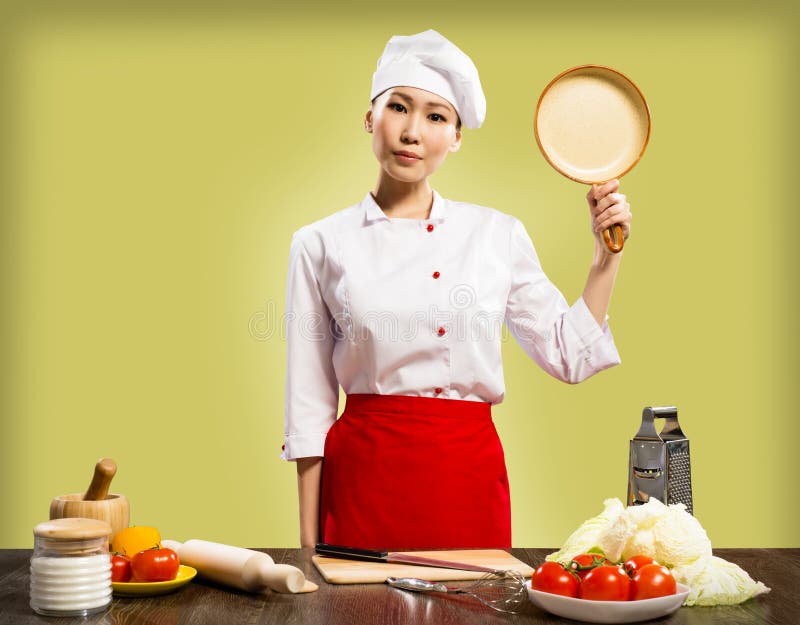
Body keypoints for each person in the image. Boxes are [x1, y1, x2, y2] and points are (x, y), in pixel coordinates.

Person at [282, 29, 631, 550]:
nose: (412, 132)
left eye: (436, 116)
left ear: (457, 136)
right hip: (362, 484)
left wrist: (605, 261)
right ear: (369, 118)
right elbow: (309, 410)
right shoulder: (318, 243)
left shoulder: (497, 234)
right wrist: (310, 549)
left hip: (467, 478)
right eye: (398, 107)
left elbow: (568, 355)